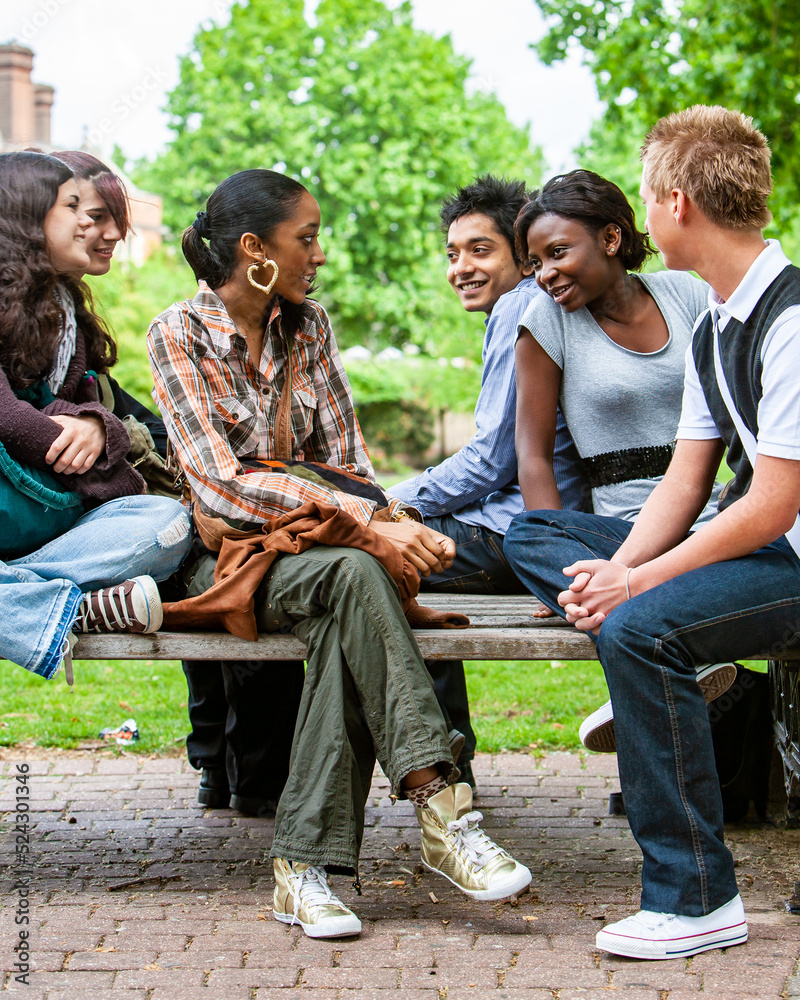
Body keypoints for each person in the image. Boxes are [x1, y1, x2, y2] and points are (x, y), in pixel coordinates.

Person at [147, 168, 532, 938]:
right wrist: (369, 526)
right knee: (364, 571)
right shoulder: (177, 334)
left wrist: (377, 519)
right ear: (255, 249)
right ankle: (440, 806)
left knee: (357, 587)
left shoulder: (310, 328)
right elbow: (221, 494)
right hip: (231, 564)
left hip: (324, 557)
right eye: (307, 238)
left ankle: (303, 870)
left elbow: (350, 463)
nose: (319, 255)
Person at [506, 105, 797, 960]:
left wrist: (636, 586)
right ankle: (695, 894)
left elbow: (771, 504)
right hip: (779, 550)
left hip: (788, 547)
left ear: (674, 204)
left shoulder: (787, 319)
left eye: (644, 196)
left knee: (641, 629)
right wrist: (617, 567)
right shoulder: (716, 320)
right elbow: (686, 476)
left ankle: (695, 899)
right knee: (624, 608)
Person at [54, 148, 303, 817]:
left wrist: (135, 433)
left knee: (214, 545)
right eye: (92, 214)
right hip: (87, 514)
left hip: (152, 503)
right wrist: (129, 435)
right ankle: (242, 773)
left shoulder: (68, 311)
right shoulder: (169, 328)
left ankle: (225, 770)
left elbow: (105, 400)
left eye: (114, 217)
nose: (112, 233)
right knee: (214, 551)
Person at [507, 169, 733, 750]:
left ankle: (640, 669)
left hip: (710, 520)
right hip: (621, 534)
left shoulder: (687, 293)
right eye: (534, 262)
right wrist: (558, 578)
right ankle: (654, 658)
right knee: (527, 533)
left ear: (611, 238)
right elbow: (532, 456)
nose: (545, 274)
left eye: (557, 253)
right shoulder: (544, 324)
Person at [392, 175, 589, 785]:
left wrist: (386, 500)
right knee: (398, 555)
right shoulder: (542, 304)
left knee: (386, 562)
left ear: (521, 257)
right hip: (543, 522)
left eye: (480, 250)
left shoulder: (519, 308)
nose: (460, 268)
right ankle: (449, 757)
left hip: (515, 532)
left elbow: (491, 460)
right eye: (452, 254)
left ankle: (444, 764)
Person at [0, 151, 191, 684]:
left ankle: (24, 599)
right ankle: (71, 609)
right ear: (26, 216)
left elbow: (99, 407)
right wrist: (98, 438)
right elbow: (11, 417)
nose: (94, 226)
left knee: (167, 525)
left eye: (103, 212)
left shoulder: (63, 314)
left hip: (35, 515)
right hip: (22, 496)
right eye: (77, 207)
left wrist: (95, 427)